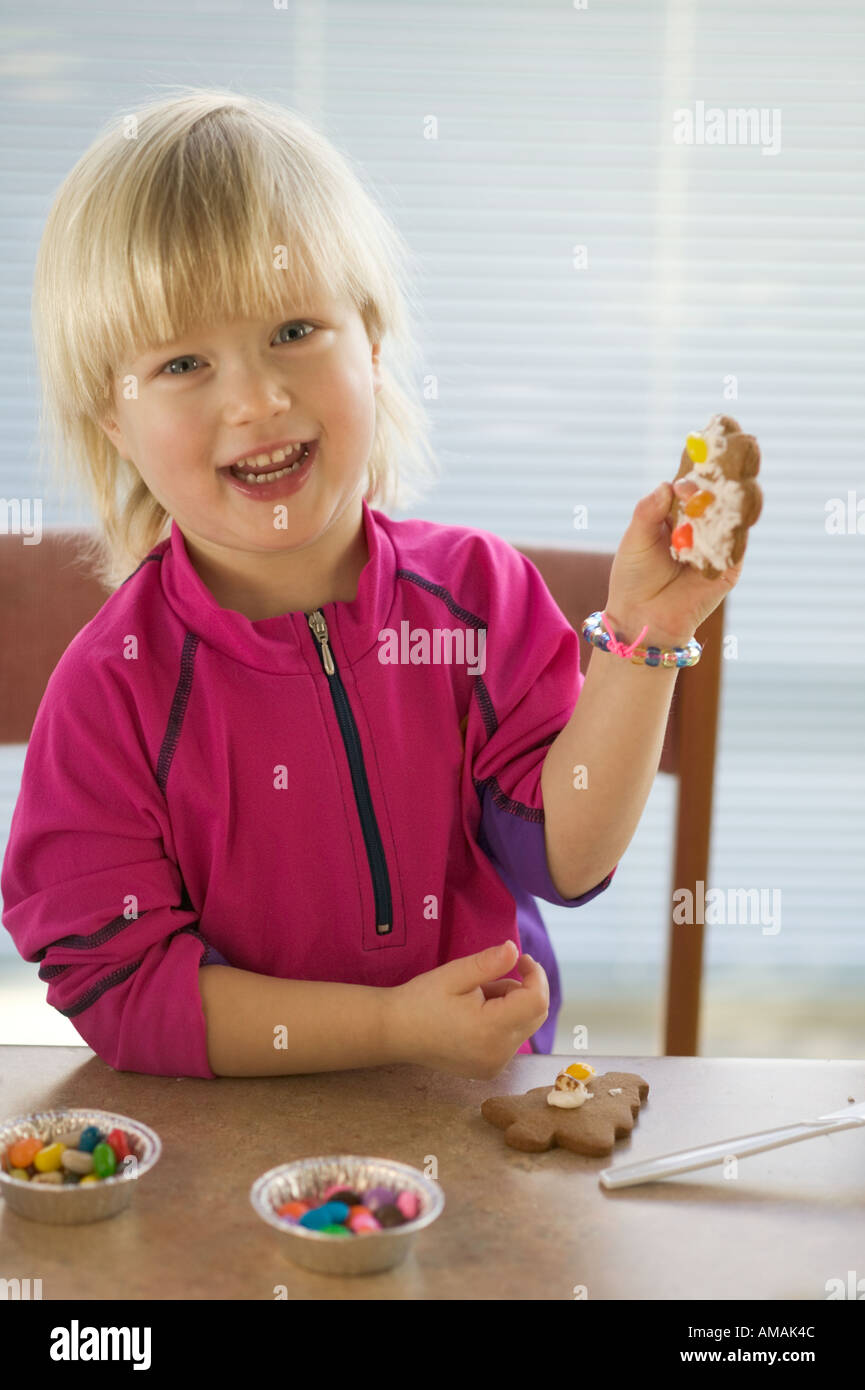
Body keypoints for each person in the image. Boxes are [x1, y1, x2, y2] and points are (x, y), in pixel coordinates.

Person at [1, 89, 736, 1081]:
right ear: (115, 425)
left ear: (375, 346)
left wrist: (642, 639)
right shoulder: (110, 694)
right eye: (183, 361)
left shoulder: (482, 598)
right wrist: (390, 1027)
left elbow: (566, 854)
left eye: (294, 330)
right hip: (229, 1159)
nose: (258, 398)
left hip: (473, 1126)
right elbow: (120, 989)